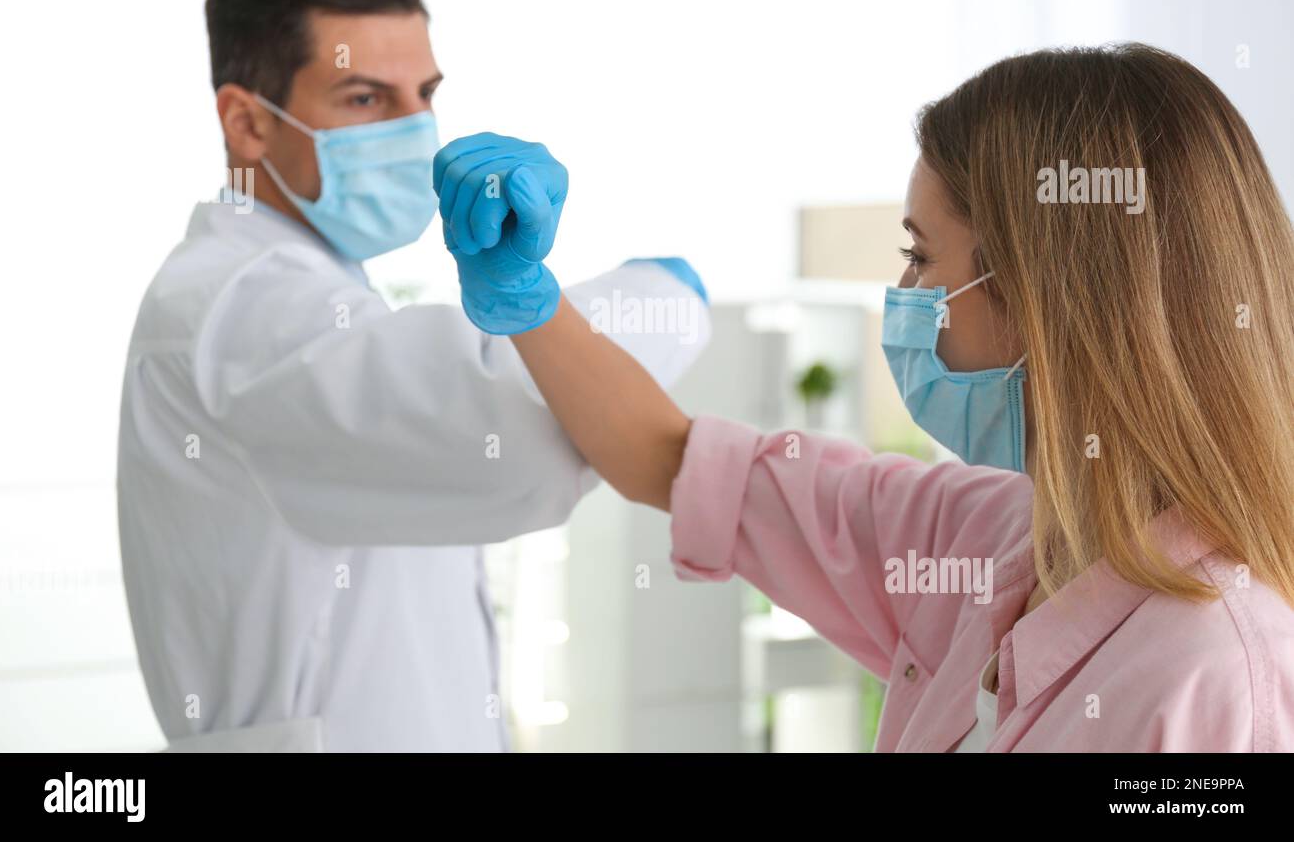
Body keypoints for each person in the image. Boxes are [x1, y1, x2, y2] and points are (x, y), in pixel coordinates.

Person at [443, 43, 1294, 751]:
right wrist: (527, 299)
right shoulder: (981, 542)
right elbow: (674, 460)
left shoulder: (1222, 675)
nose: (903, 294)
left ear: (1047, 298)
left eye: (922, 258)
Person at [116, 0, 709, 752]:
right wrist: (667, 295)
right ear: (248, 125)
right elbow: (523, 434)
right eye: (365, 99)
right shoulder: (238, 310)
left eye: (424, 95)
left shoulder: (307, 287)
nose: (414, 132)